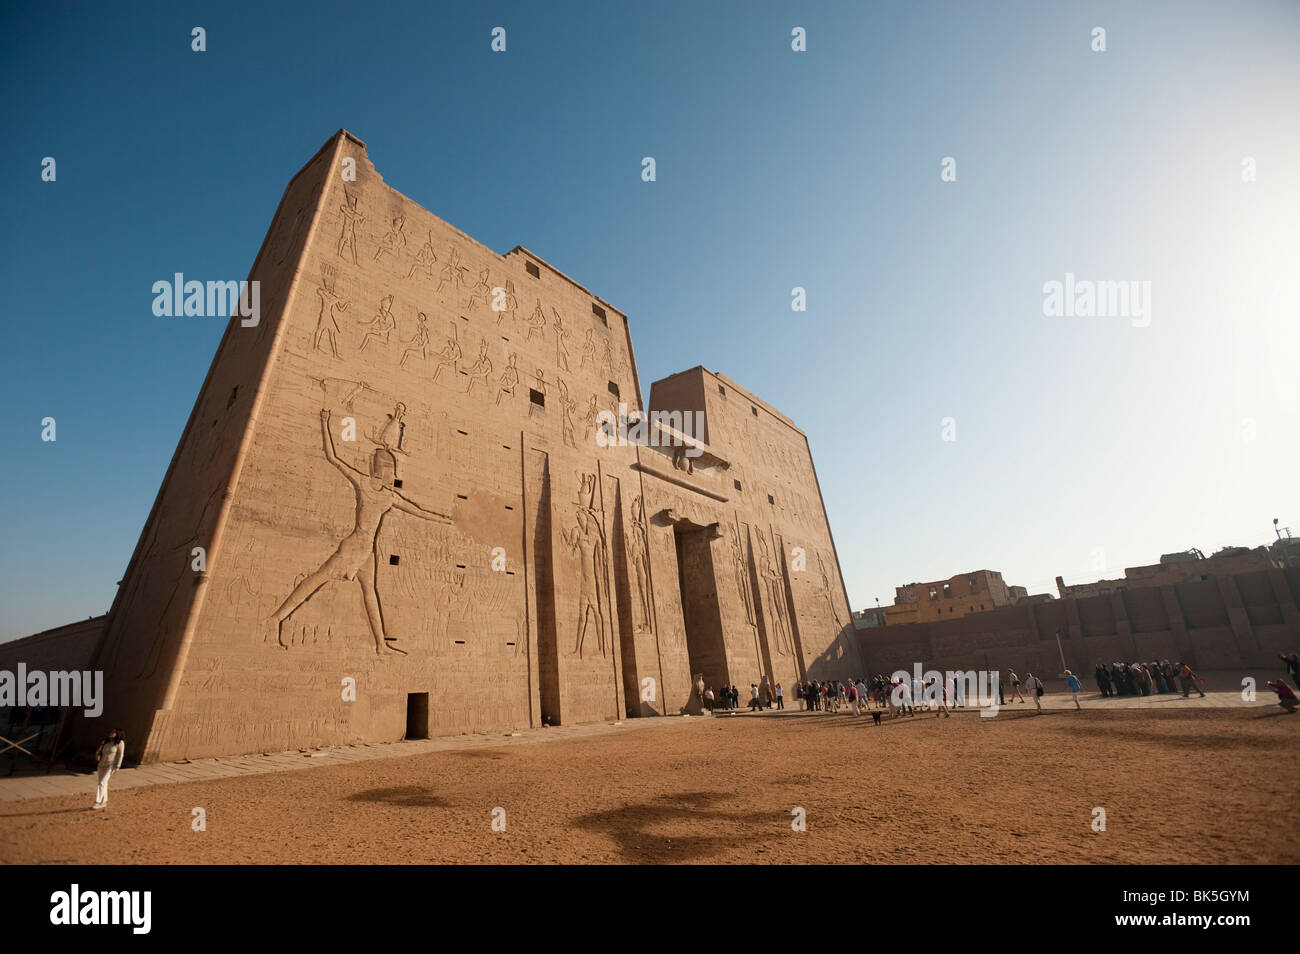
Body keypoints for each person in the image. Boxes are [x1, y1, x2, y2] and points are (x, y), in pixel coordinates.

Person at [92, 729, 126, 810]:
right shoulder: (105, 741)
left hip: (111, 765)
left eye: (113, 732)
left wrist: (118, 766)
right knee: (104, 783)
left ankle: (98, 801)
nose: (111, 733)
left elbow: (120, 755)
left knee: (102, 782)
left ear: (117, 734)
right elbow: (98, 751)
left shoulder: (120, 743)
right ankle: (104, 801)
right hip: (101, 765)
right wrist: (97, 755)